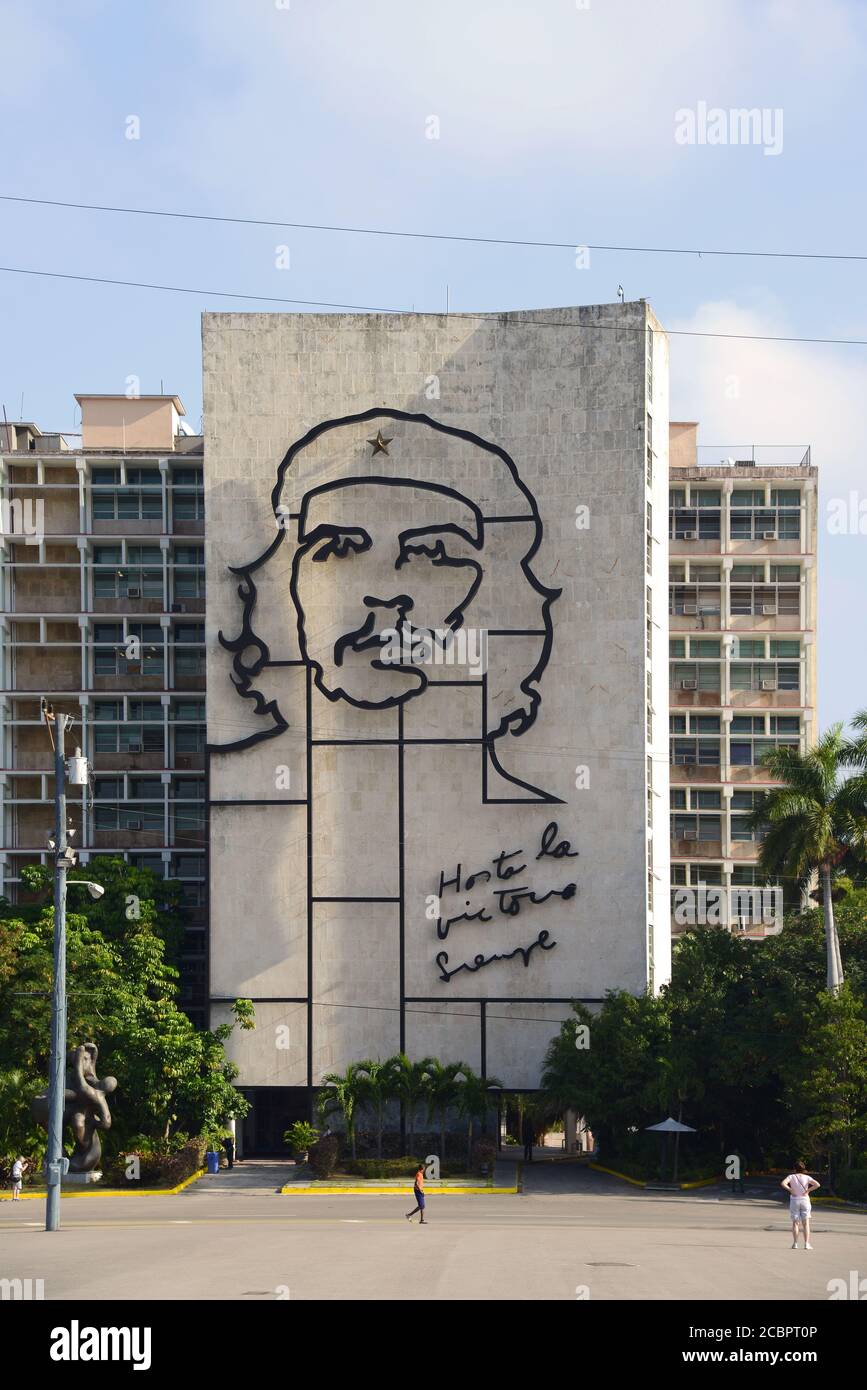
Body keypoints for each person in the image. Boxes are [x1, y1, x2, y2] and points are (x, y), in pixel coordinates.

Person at [781, 1161, 820, 1249]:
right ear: (803, 1169)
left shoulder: (791, 1176)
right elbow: (817, 1185)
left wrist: (790, 1190)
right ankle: (807, 1244)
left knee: (795, 1223)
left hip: (794, 1200)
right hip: (805, 1200)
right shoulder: (807, 1177)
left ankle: (795, 1243)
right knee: (806, 1223)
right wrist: (808, 1190)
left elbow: (783, 1183)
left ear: (794, 1169)